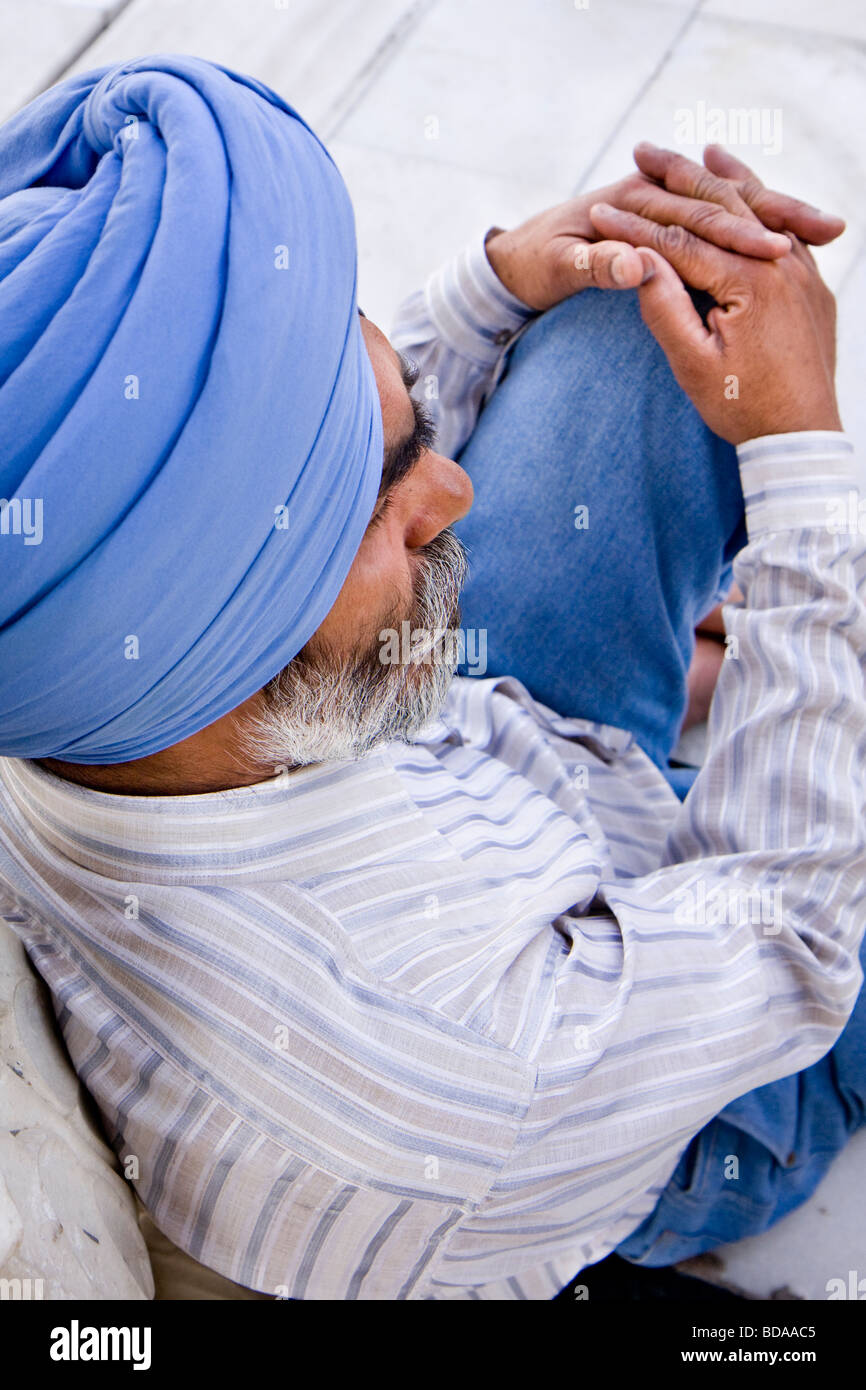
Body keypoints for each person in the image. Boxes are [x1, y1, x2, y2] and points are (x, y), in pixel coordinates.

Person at [0, 56, 862, 1300]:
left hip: (507, 771)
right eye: (392, 497)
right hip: (680, 1095)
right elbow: (791, 932)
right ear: (240, 648)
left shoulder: (89, 674)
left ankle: (713, 692)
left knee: (639, 305)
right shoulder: (453, 1053)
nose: (453, 491)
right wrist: (799, 462)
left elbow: (276, 471)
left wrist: (489, 287)